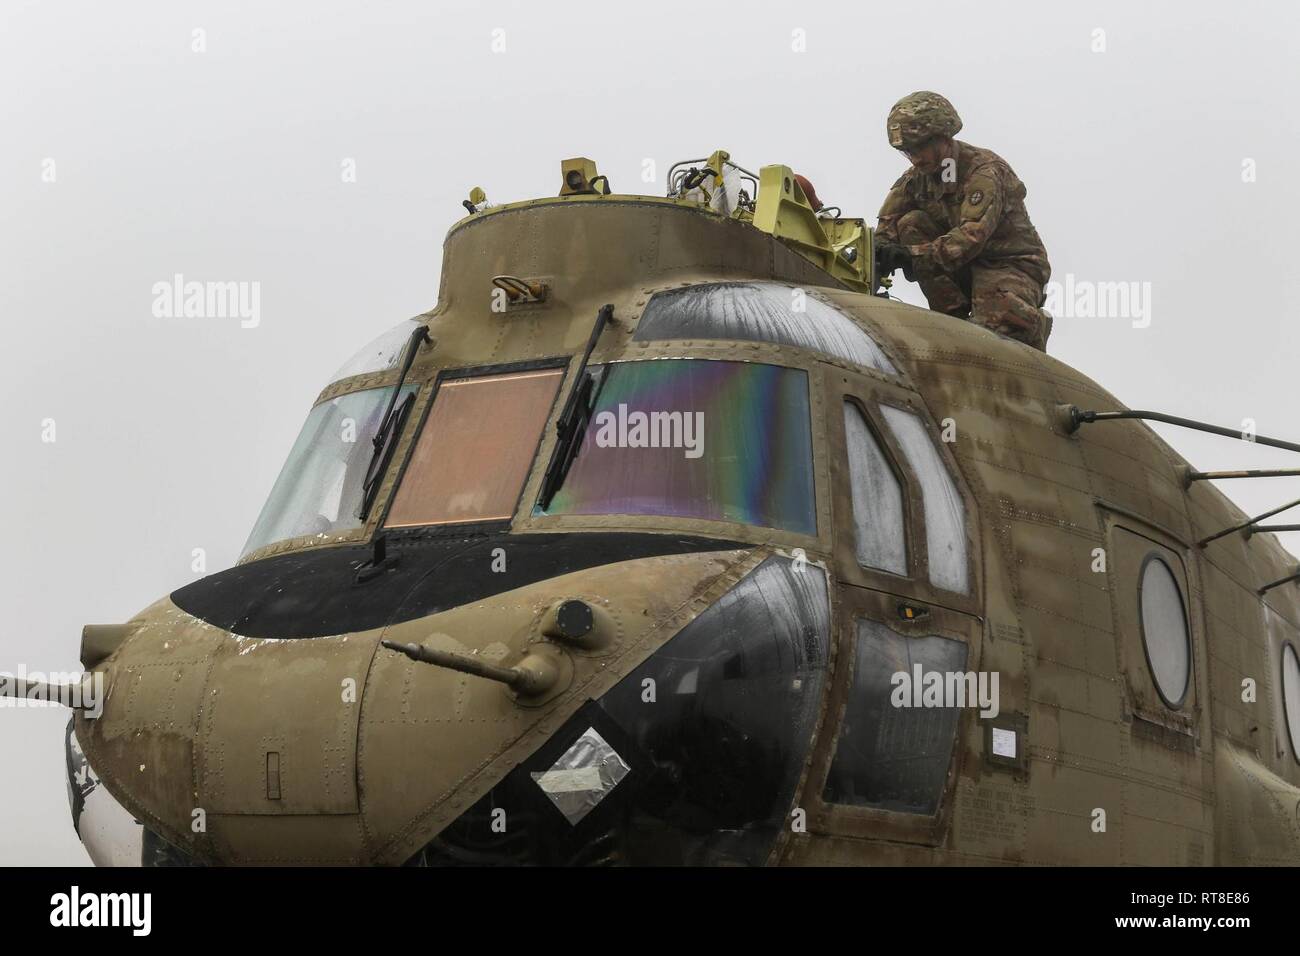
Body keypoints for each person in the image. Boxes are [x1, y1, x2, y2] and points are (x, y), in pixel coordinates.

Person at [874, 91, 1053, 351]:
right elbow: (887, 226)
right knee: (911, 223)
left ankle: (1026, 323)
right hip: (960, 267)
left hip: (1009, 265)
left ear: (943, 138)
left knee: (992, 340)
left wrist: (910, 256)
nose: (915, 158)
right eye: (907, 152)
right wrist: (879, 253)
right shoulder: (915, 179)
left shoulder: (985, 171)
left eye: (920, 148)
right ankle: (952, 319)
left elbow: (971, 237)